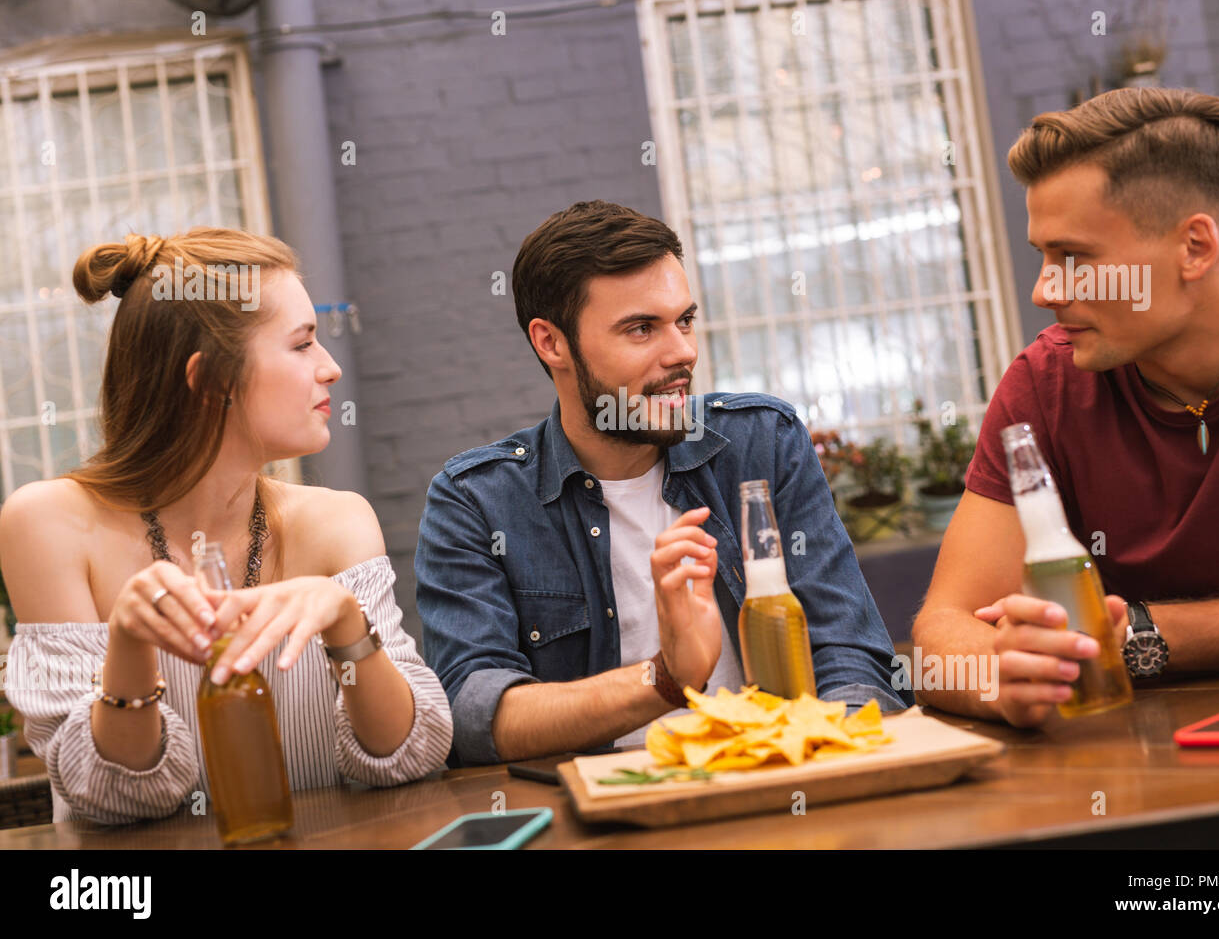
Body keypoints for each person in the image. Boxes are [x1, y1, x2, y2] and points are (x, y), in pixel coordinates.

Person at [415, 200, 910, 766]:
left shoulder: (762, 443)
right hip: (610, 818)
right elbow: (475, 716)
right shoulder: (477, 500)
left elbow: (850, 657)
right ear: (551, 343)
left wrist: (816, 767)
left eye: (685, 320)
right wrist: (666, 679)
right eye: (642, 329)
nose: (683, 352)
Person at [0, 228, 453, 824]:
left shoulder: (337, 520)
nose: (331, 368)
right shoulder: (49, 524)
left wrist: (348, 625)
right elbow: (111, 798)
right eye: (302, 345)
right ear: (210, 380)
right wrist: (130, 650)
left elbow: (410, 757)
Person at [911, 87, 1219, 727]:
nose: (1043, 290)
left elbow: (1127, 640)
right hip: (1142, 781)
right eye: (1043, 256)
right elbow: (935, 649)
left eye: (1074, 258)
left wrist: (1142, 635)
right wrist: (1004, 674)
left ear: (1195, 248)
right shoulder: (1043, 386)